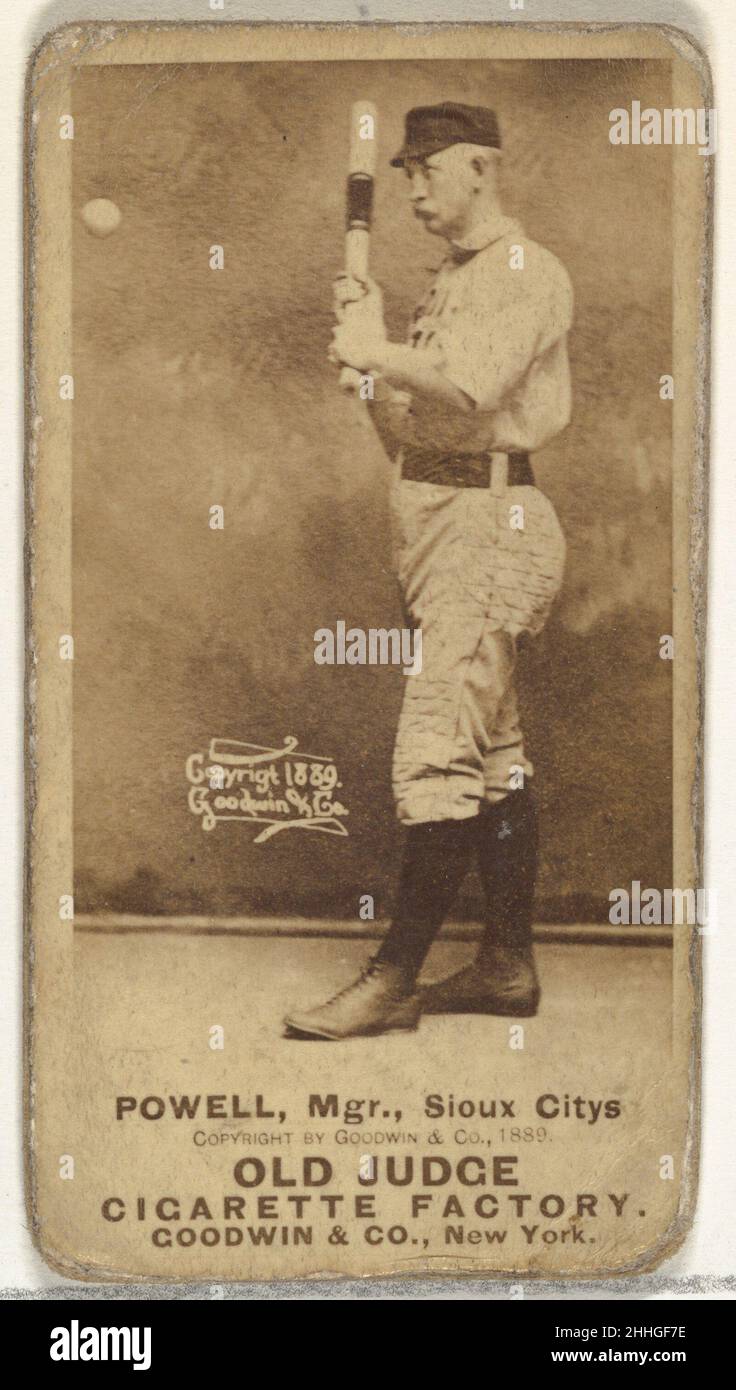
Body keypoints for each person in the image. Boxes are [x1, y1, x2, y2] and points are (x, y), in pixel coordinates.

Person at [284, 102, 573, 1040]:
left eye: (427, 169)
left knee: (437, 752)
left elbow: (477, 386)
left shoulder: (527, 272)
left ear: (482, 168)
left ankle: (392, 981)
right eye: (401, 171)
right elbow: (408, 436)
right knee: (492, 754)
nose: (411, 188)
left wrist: (380, 354)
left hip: (492, 523)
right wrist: (368, 374)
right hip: (442, 521)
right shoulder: (453, 280)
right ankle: (505, 967)